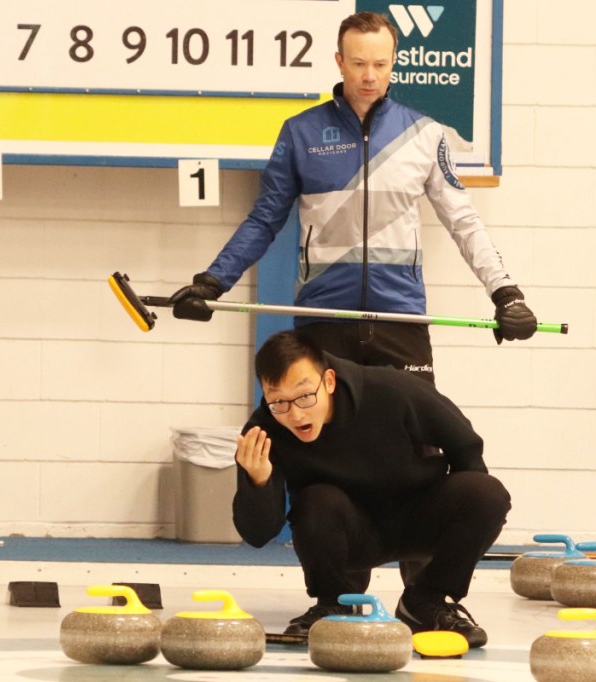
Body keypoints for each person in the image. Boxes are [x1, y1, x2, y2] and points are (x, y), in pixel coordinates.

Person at [170, 11, 537, 384]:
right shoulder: (301, 132)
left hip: (401, 317)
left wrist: (506, 292)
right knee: (324, 441)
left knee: (420, 440)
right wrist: (213, 282)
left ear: (395, 61)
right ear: (339, 61)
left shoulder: (425, 134)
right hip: (324, 319)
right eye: (359, 63)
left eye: (380, 64)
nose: (369, 76)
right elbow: (264, 220)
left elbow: (463, 221)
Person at [233, 330, 510, 646]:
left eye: (305, 396)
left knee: (487, 493)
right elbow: (256, 535)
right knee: (316, 500)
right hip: (351, 535)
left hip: (419, 519)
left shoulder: (392, 390)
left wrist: (457, 546)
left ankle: (425, 602)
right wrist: (259, 482)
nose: (295, 413)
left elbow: (466, 446)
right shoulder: (263, 432)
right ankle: (334, 605)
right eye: (278, 402)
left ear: (330, 382)